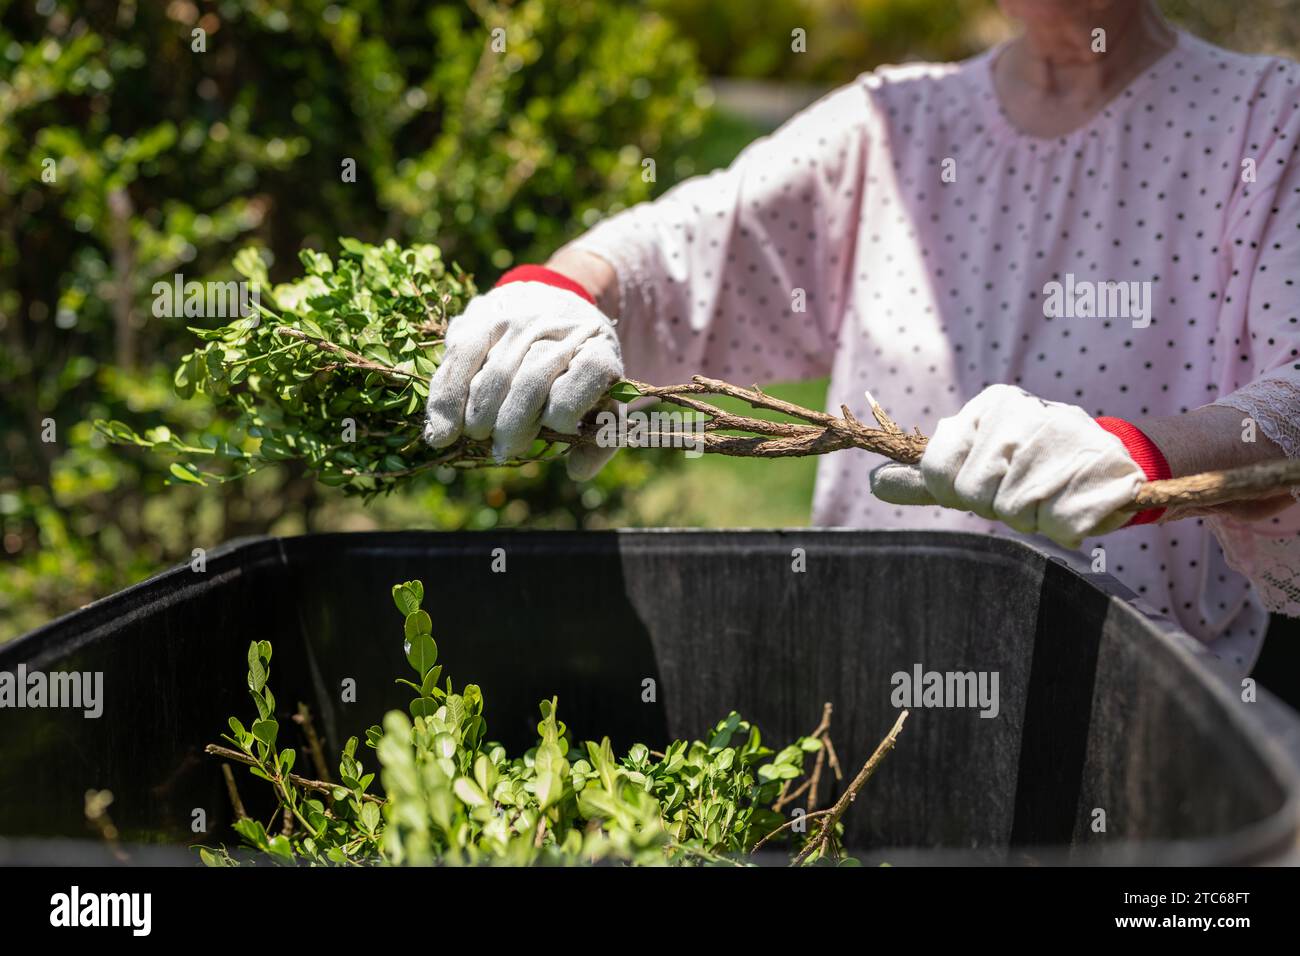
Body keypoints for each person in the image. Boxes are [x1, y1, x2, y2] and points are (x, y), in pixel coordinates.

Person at [424, 0, 1300, 675]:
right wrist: (561, 292)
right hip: (865, 682)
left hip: (1139, 716)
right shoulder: (897, 124)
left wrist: (1145, 458)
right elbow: (685, 244)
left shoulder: (1266, 124)